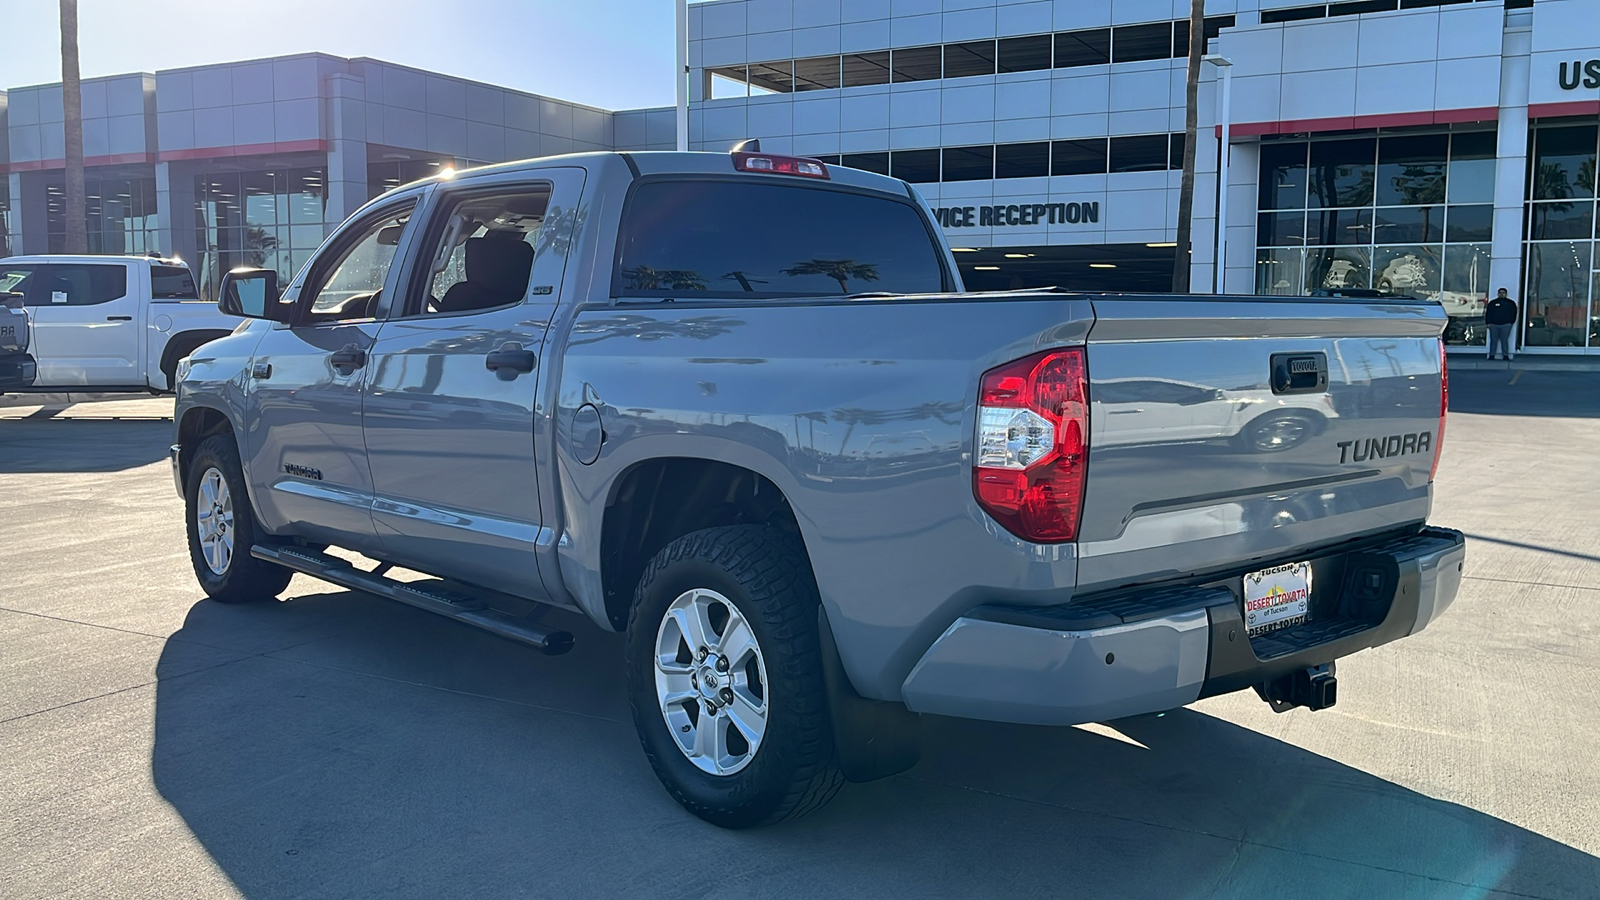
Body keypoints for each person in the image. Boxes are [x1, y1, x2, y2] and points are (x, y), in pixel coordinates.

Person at [1485, 288, 1518, 361]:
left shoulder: (1511, 303)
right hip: (1494, 324)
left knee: (1504, 340)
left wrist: (1511, 322)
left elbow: (1514, 313)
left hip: (1506, 325)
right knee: (1493, 340)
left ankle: (1505, 355)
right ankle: (1491, 355)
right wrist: (1488, 322)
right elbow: (1488, 313)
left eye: (1503, 293)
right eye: (1500, 293)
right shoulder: (1492, 303)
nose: (1501, 294)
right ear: (1498, 294)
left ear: (1506, 294)